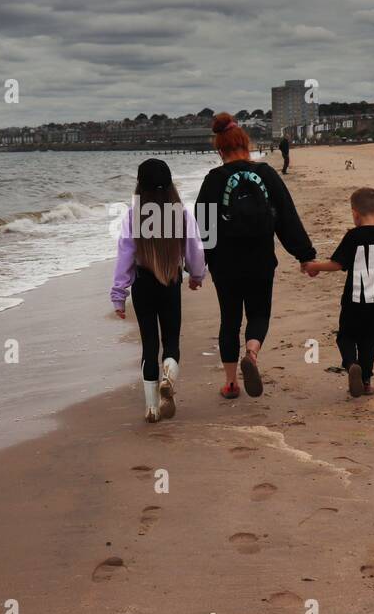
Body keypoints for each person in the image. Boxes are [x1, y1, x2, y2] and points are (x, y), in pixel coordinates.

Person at [195, 113, 315, 400]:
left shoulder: (213, 180)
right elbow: (287, 216)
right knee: (259, 313)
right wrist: (304, 255)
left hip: (226, 265)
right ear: (245, 144)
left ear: (219, 149)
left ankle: (231, 383)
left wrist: (201, 265)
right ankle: (252, 352)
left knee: (230, 320)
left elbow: (203, 226)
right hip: (261, 260)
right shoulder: (266, 174)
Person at [110, 158, 207, 423]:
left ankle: (152, 408)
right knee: (171, 342)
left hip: (143, 284)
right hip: (171, 283)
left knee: (149, 345)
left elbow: (124, 256)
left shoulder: (133, 215)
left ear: (140, 185)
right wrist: (196, 275)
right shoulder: (181, 213)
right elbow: (195, 249)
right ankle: (169, 375)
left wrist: (119, 295)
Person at [302, 187, 374, 398]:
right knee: (370, 341)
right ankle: (366, 382)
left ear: (355, 214)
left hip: (354, 300)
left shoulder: (353, 237)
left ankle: (352, 363)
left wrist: (314, 266)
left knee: (346, 337)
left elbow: (337, 264)